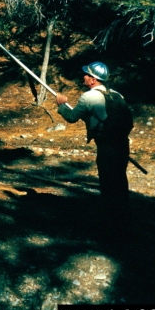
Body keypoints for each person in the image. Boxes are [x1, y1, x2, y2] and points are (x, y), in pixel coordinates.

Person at [55, 61, 131, 213]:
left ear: (93, 80)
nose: (84, 76)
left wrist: (61, 105)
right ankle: (123, 214)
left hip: (106, 146)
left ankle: (110, 219)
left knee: (107, 180)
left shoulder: (88, 97)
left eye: (86, 74)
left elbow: (71, 117)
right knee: (120, 180)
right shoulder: (117, 95)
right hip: (122, 144)